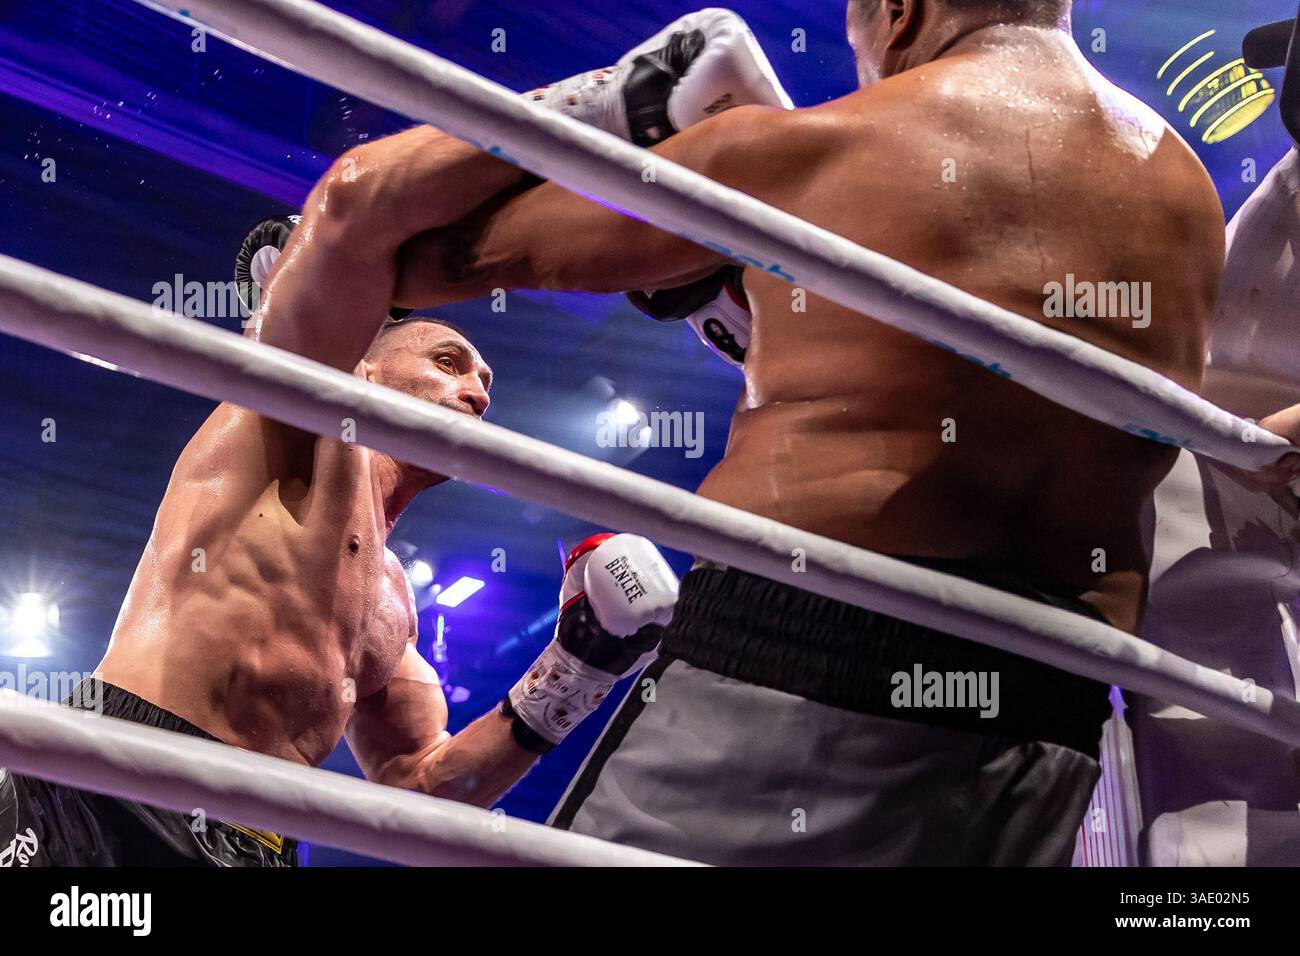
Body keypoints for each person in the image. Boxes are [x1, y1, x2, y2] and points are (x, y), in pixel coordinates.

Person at [181, 1, 1226, 864]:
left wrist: (611, 104)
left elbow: (378, 229)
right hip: (1045, 721)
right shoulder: (1191, 196)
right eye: (453, 362)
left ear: (898, 11)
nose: (479, 395)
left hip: (798, 675)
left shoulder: (807, 153)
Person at [0, 217, 680, 867]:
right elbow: (301, 291)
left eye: (484, 384)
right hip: (119, 782)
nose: (476, 393)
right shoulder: (283, 437)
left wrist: (578, 668)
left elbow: (420, 790)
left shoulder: (394, 610)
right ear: (369, 368)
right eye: (449, 363)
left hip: (263, 842)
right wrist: (311, 279)